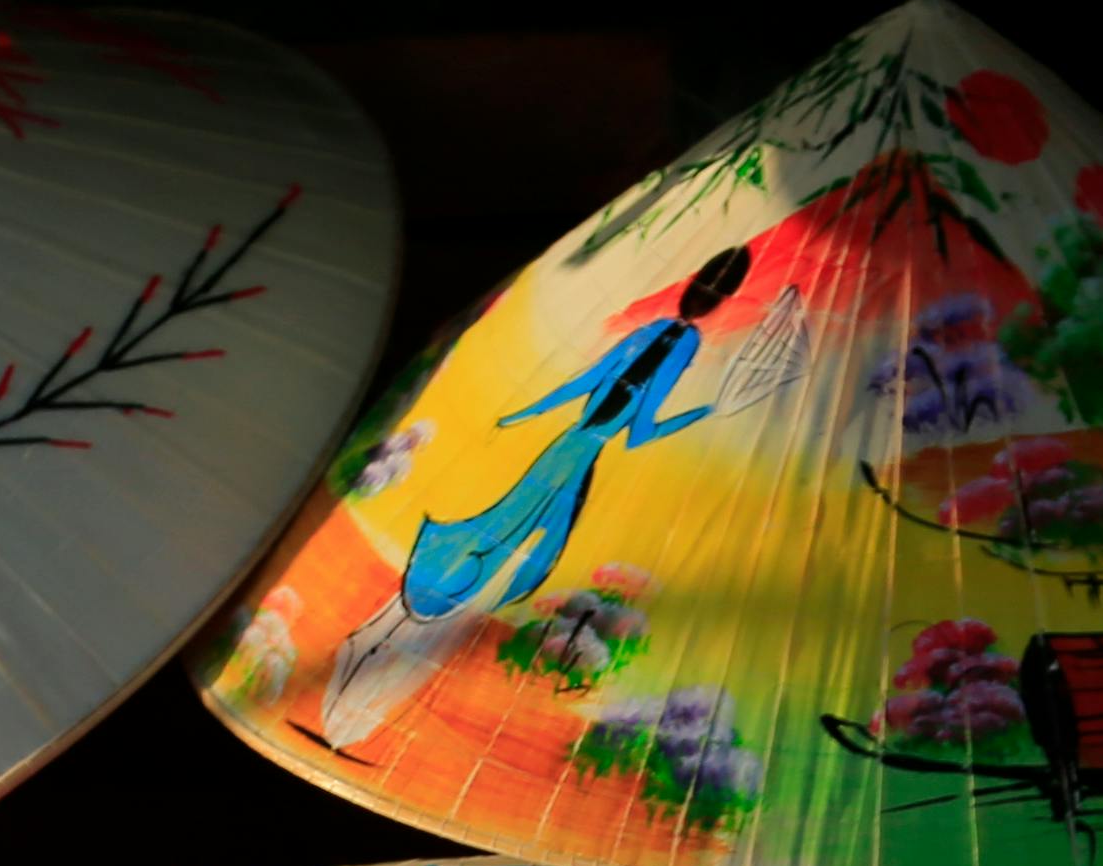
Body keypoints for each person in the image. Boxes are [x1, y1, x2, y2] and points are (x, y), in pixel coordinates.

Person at [316, 248, 766, 753]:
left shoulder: (646, 332)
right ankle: (376, 685)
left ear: (690, 286)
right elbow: (640, 432)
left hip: (560, 447)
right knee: (514, 559)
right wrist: (705, 409)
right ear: (722, 300)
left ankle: (377, 649)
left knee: (497, 536)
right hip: (576, 463)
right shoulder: (684, 344)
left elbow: (578, 386)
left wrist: (522, 415)